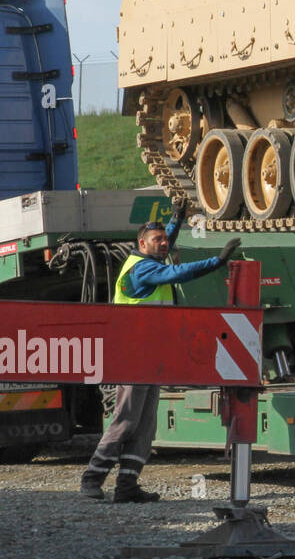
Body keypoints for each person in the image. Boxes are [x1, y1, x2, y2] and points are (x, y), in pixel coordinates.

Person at [80, 199, 241, 502]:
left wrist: (176, 220)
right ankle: (92, 477)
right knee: (126, 419)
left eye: (166, 239)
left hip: (152, 354)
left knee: (146, 424)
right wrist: (216, 262)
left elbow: (164, 241)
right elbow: (175, 274)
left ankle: (127, 486)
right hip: (135, 356)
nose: (165, 243)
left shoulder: (149, 257)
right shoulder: (142, 271)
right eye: (158, 240)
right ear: (142, 243)